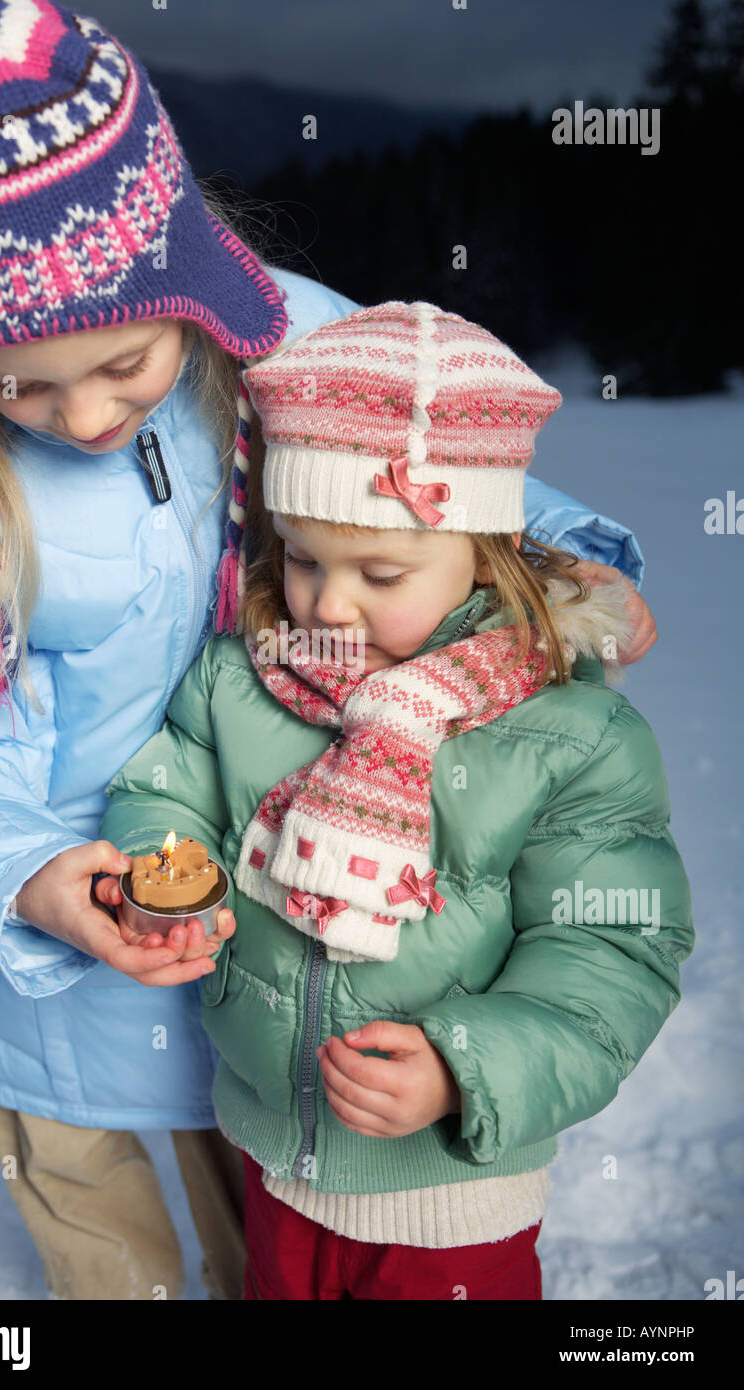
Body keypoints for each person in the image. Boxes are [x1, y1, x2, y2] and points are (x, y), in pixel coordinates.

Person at [0, 0, 653, 1303]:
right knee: (92, 1216)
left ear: (181, 274)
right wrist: (29, 878)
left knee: (265, 1206)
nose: (76, 415)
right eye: (18, 384)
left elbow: (433, 470)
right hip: (54, 943)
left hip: (271, 901)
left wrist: (565, 564)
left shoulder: (292, 336)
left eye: (122, 362)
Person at [96, 301, 694, 1301]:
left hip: (449, 1196)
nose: (328, 604)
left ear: (485, 548)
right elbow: (166, 786)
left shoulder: (570, 738)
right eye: (302, 557)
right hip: (277, 1147)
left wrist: (469, 1067)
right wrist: (164, 867)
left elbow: (612, 951)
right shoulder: (242, 678)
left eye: (380, 571)